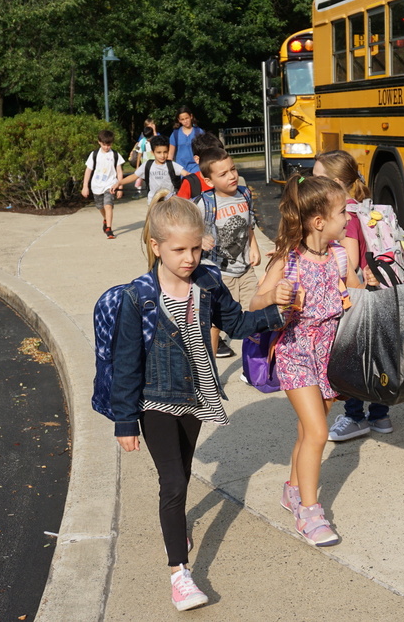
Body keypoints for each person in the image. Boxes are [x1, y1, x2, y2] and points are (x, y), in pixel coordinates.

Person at [111, 191, 292, 611]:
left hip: (195, 395)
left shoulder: (208, 282)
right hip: (154, 400)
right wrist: (124, 421)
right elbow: (126, 363)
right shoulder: (138, 297)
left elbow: (237, 323)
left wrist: (275, 312)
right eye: (179, 250)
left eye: (195, 248)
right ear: (156, 246)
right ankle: (180, 573)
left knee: (184, 471)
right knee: (173, 482)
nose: (189, 258)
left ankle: (175, 527)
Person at [250, 174, 371, 547]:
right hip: (297, 352)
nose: (348, 218)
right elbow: (254, 304)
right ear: (319, 221)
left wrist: (366, 284)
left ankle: (292, 489)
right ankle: (309, 511)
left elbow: (358, 295)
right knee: (318, 432)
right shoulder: (289, 260)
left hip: (330, 354)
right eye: (342, 212)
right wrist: (274, 296)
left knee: (308, 430)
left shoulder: (339, 255)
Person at [313, 150, 395, 441]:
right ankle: (380, 415)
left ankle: (354, 416)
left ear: (336, 182)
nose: (312, 182)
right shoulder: (364, 208)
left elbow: (348, 263)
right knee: (376, 356)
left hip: (354, 294)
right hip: (377, 291)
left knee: (352, 358)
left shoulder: (343, 214)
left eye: (318, 177)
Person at [195, 146, 260, 359]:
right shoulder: (205, 203)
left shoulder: (244, 194)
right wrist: (199, 238)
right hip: (220, 275)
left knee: (254, 315)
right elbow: (185, 229)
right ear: (209, 181)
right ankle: (209, 370)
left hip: (245, 270)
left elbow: (248, 224)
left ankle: (254, 367)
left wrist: (254, 247)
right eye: (223, 174)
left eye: (233, 169)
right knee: (216, 323)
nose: (232, 176)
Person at [81, 129, 126, 239]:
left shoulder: (115, 155)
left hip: (110, 185)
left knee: (108, 205)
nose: (106, 147)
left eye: (109, 145)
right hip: (96, 186)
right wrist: (85, 186)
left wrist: (120, 187)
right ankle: (105, 219)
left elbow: (119, 172)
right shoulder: (94, 154)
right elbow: (88, 170)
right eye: (104, 144)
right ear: (99, 142)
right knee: (100, 206)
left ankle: (109, 229)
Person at [117, 135, 187, 204]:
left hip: (169, 202)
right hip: (153, 202)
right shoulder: (148, 165)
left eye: (165, 152)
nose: (162, 155)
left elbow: (186, 174)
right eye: (159, 152)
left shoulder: (172, 165)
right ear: (152, 152)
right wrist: (119, 183)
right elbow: (134, 176)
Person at [175, 132, 222, 200]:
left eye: (220, 155)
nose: (217, 160)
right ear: (197, 159)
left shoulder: (227, 178)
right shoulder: (191, 183)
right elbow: (180, 205)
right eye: (211, 157)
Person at [168, 105, 205, 174]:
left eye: (187, 118)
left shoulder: (199, 132)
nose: (185, 121)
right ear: (179, 120)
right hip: (181, 170)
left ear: (191, 116)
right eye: (182, 119)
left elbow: (205, 152)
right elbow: (170, 154)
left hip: (196, 168)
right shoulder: (175, 134)